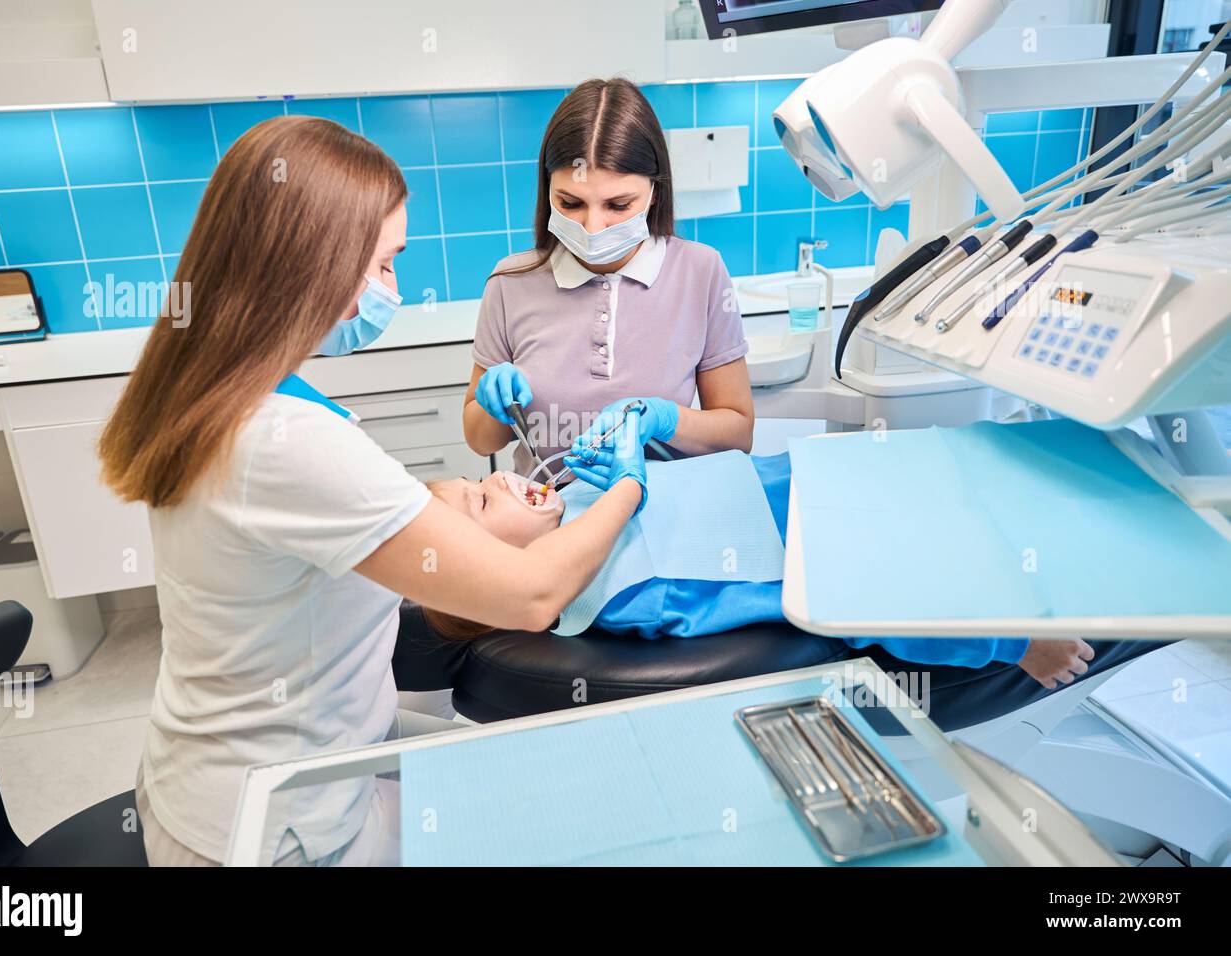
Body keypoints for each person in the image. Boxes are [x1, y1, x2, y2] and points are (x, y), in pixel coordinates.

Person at [97, 116, 646, 867]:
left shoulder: (220, 389)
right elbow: (529, 597)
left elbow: (357, 535)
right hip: (271, 832)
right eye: (384, 265)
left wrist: (467, 503)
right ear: (315, 264)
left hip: (224, 775)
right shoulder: (281, 440)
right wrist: (626, 489)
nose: (393, 287)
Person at [424, 455, 1154, 691]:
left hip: (878, 487)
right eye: (485, 502)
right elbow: (852, 595)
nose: (503, 478)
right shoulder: (639, 587)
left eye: (477, 478)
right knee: (1134, 570)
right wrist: (1012, 644)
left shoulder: (588, 494)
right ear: (505, 573)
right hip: (903, 550)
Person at [463, 77, 755, 477]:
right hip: (549, 518)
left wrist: (665, 418)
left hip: (663, 512)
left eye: (618, 204)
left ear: (655, 191)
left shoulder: (701, 273)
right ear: (547, 189)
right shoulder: (509, 282)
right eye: (570, 202)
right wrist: (492, 407)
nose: (594, 226)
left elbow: (739, 435)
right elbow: (481, 441)